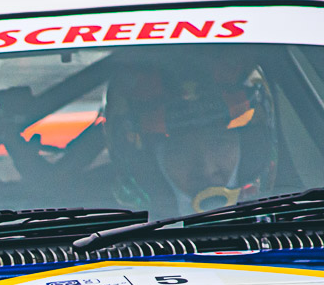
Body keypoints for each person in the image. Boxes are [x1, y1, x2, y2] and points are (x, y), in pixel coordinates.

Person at [103, 53, 279, 217]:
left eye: (219, 143)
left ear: (250, 146)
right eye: (180, 149)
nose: (207, 169)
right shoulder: (92, 208)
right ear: (147, 164)